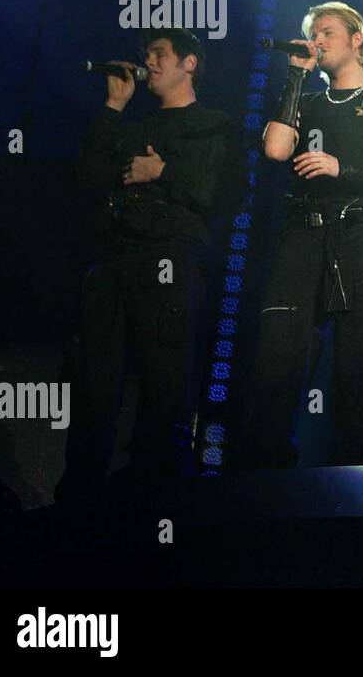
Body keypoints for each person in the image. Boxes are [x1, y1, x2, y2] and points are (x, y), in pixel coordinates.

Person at [244, 1, 363, 468]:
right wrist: (296, 77)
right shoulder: (306, 102)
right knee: (279, 359)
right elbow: (275, 149)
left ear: (356, 38)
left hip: (360, 236)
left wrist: (341, 167)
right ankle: (270, 477)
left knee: (359, 367)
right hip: (303, 237)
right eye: (311, 34)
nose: (316, 41)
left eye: (325, 32)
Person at [58, 28, 236, 501]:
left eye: (159, 54)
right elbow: (89, 184)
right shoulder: (132, 127)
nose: (149, 63)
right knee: (95, 384)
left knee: (165, 385)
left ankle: (157, 500)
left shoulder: (216, 126)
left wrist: (163, 172)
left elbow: (219, 196)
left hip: (169, 265)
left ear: (189, 63)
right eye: (146, 56)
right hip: (113, 264)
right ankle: (80, 496)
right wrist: (113, 108)